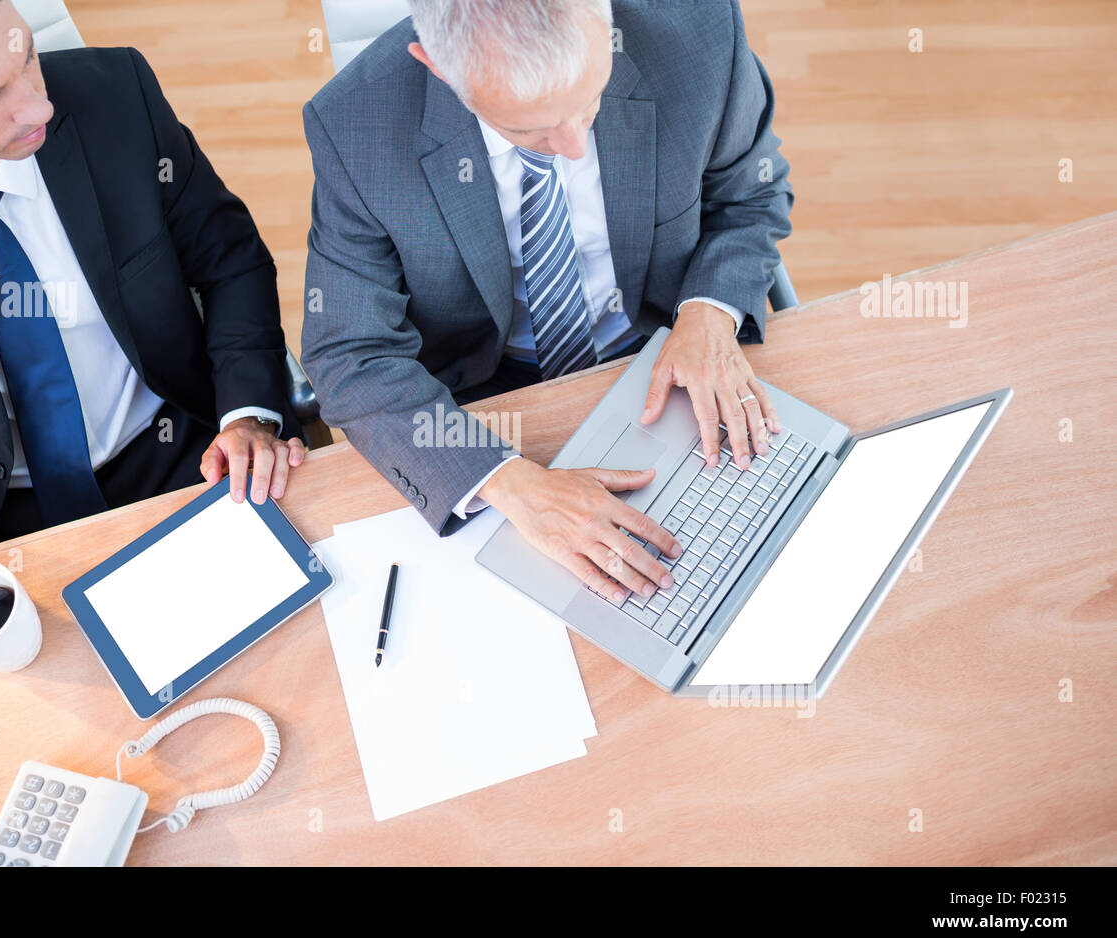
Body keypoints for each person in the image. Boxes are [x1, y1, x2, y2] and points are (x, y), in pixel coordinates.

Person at [0, 0, 305, 639]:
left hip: (188, 453)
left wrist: (247, 414)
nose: (37, 107)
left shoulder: (117, 94)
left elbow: (230, 261)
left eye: (27, 60)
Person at [302, 0, 792, 605]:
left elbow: (751, 194)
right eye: (530, 131)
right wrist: (504, 482)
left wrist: (709, 311)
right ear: (438, 67)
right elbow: (349, 352)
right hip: (489, 401)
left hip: (662, 351)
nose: (575, 147)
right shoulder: (355, 127)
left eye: (590, 101)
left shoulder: (699, 31)